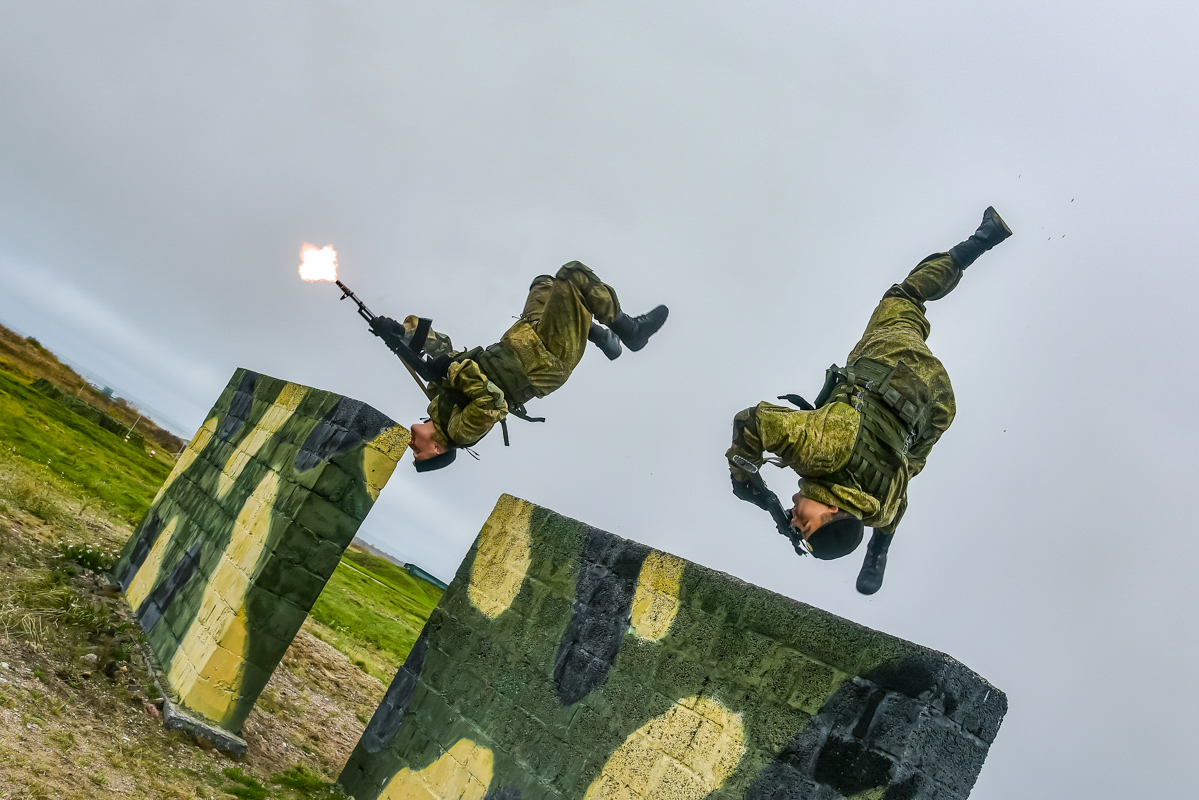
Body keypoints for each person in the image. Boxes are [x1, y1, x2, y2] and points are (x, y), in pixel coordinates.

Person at [726, 208, 1012, 594]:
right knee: (906, 296)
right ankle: (982, 239)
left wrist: (877, 541)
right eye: (804, 523)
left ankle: (879, 551)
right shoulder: (819, 454)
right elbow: (753, 422)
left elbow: (896, 509)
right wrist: (745, 480)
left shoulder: (878, 506)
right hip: (892, 361)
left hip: (938, 404)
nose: (794, 520)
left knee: (909, 464)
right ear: (832, 509)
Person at [403, 261, 668, 471]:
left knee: (544, 284)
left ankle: (597, 334)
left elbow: (444, 353)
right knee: (573, 276)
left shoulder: (438, 404)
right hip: (545, 359)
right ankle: (631, 331)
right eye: (418, 452)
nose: (411, 445)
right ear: (437, 449)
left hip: (526, 337)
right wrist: (451, 370)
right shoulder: (461, 433)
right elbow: (491, 402)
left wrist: (404, 333)